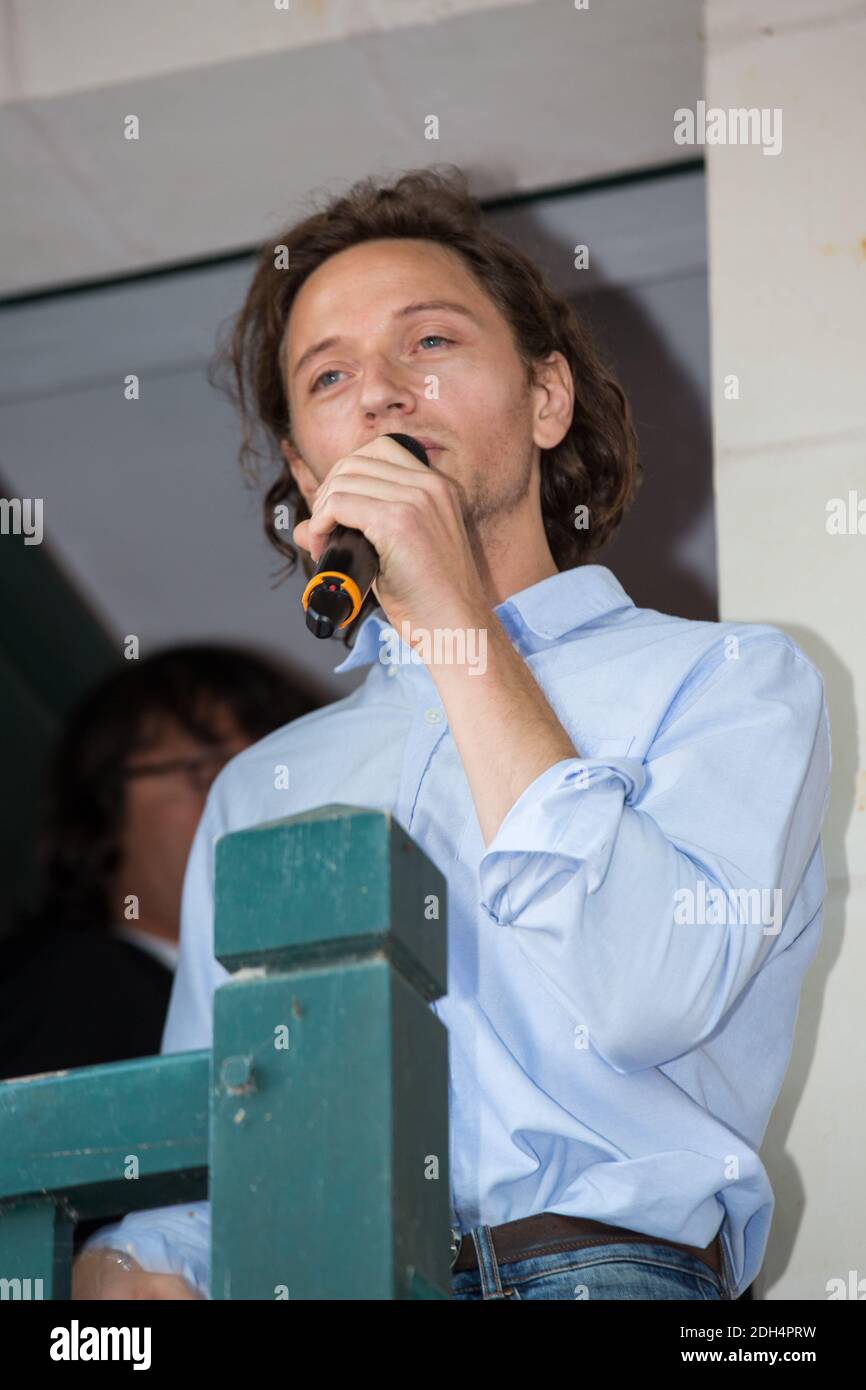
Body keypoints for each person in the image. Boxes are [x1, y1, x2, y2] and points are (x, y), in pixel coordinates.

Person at [73, 166, 830, 1301]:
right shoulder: (263, 783)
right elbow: (222, 1149)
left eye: (427, 342)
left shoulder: (728, 680)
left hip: (600, 1273)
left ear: (545, 399)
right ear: (304, 471)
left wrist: (457, 626)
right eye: (327, 375)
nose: (377, 393)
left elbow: (641, 993)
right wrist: (130, 1264)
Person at [1, 644, 313, 1253]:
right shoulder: (68, 985)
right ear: (101, 813)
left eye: (274, 769)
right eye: (208, 770)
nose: (251, 797)